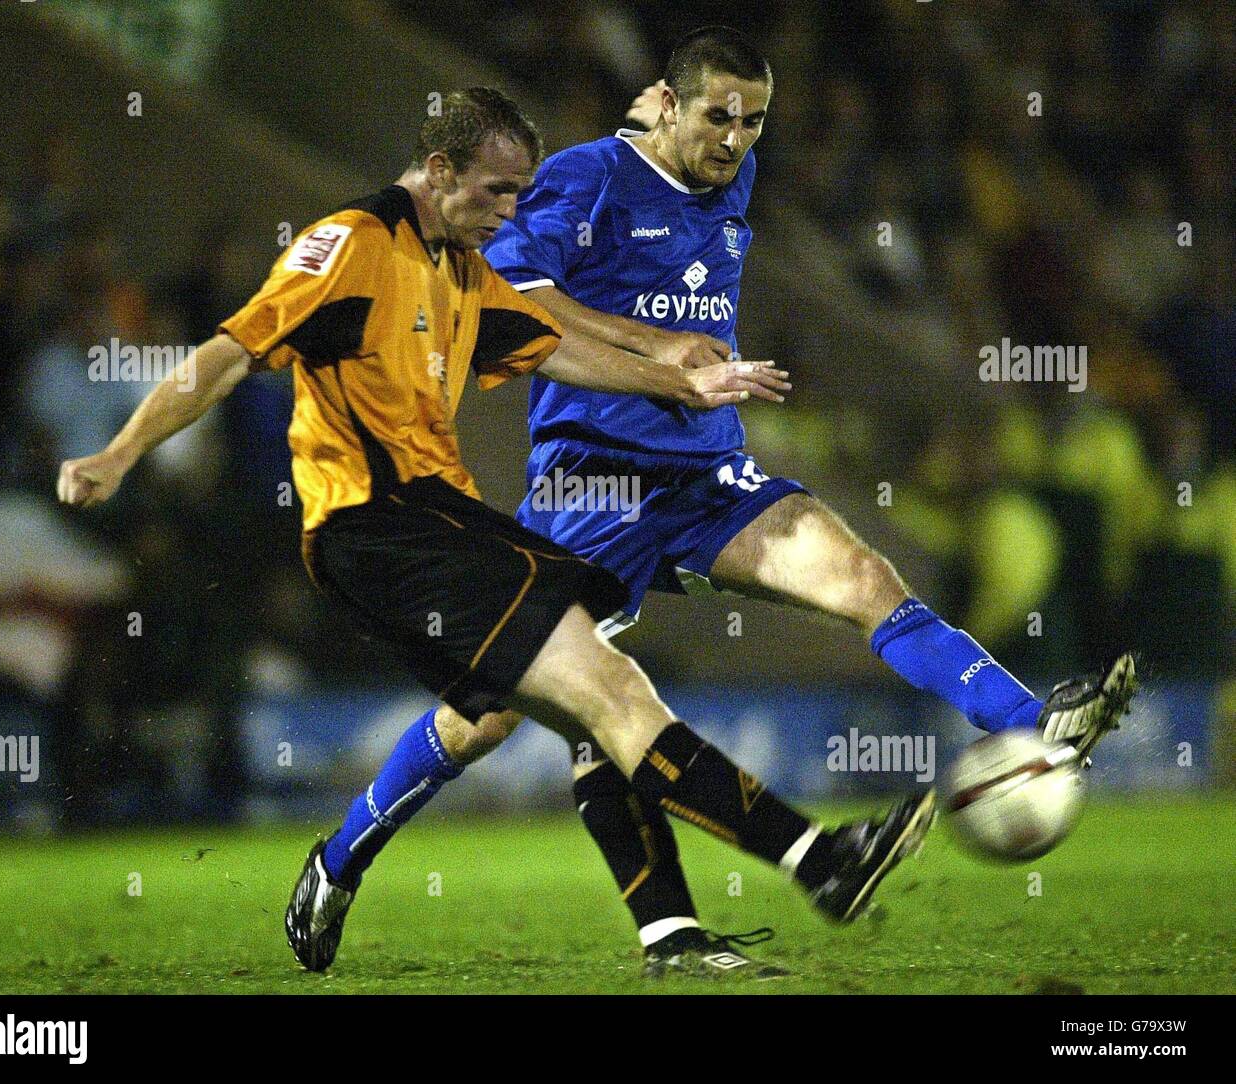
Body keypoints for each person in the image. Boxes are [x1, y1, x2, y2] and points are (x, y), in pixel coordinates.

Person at [56, 85, 935, 979]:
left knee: (549, 708)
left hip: (446, 521)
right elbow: (227, 355)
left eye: (522, 193)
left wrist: (675, 379)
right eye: (498, 192)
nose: (513, 212)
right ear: (439, 172)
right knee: (608, 690)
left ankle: (385, 870)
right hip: (381, 528)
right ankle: (820, 863)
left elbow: (549, 344)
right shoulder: (351, 247)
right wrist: (120, 453)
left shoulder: (462, 266)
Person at [315, 27, 1139, 979]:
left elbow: (680, 144)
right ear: (668, 103)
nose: (737, 138)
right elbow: (507, 291)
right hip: (596, 477)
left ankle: (1028, 722)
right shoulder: (585, 181)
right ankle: (340, 861)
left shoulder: (724, 169)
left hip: (708, 476)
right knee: (504, 715)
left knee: (862, 573)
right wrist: (651, 348)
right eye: (718, 115)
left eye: (755, 121)